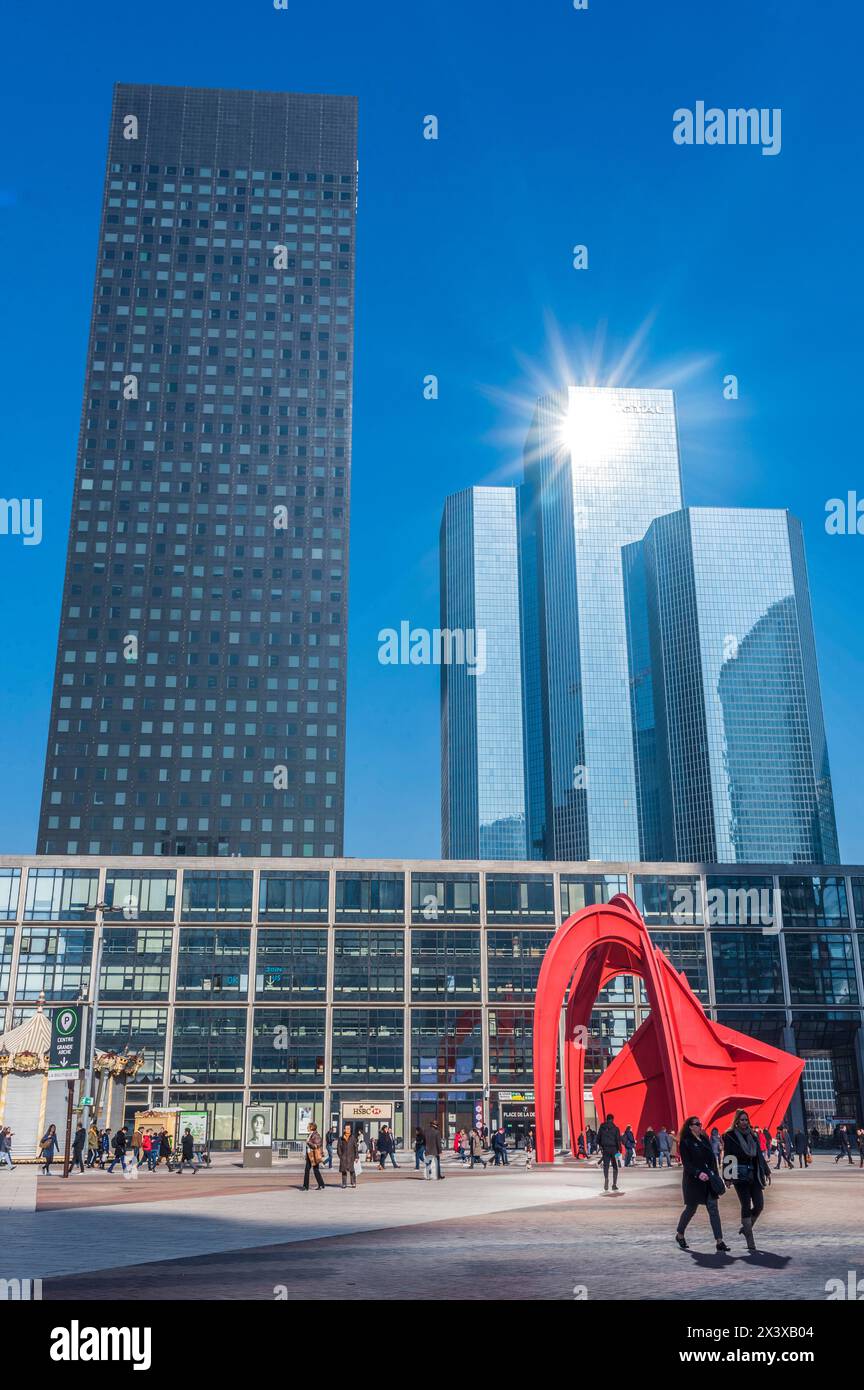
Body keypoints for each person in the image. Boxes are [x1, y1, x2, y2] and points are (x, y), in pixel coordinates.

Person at [675, 1115, 729, 1252]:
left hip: (709, 1180)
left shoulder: (705, 1139)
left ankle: (719, 1241)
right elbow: (687, 1164)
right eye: (697, 1124)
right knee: (691, 1209)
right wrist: (698, 1173)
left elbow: (712, 1159)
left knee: (713, 1209)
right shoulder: (686, 1142)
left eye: (700, 1123)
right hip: (693, 1182)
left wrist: (716, 1176)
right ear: (690, 1126)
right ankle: (680, 1234)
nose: (700, 1126)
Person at [723, 1109, 770, 1253]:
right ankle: (750, 1240)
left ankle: (746, 1228)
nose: (744, 1122)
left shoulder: (753, 1135)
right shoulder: (730, 1136)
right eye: (742, 1120)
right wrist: (727, 1176)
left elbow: (759, 1156)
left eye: (746, 1120)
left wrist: (766, 1170)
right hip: (739, 1174)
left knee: (759, 1205)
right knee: (745, 1204)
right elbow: (727, 1155)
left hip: (754, 1173)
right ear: (737, 1121)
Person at [596, 1113, 622, 1192]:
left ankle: (606, 1178)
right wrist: (619, 1149)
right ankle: (614, 1185)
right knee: (615, 1167)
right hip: (614, 1149)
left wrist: (601, 1145)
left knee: (606, 1166)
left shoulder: (602, 1127)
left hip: (605, 1149)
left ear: (607, 1119)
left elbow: (598, 1138)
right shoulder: (616, 1128)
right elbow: (618, 1140)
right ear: (612, 1119)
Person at [302, 1121, 326, 1191]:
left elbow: (317, 1145)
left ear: (312, 1127)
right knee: (307, 1170)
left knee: (316, 1170)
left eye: (308, 1126)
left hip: (314, 1155)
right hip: (309, 1154)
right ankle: (305, 1186)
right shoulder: (310, 1134)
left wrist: (308, 1142)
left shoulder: (316, 1135)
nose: (307, 1128)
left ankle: (321, 1184)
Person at [337, 1124, 358, 1189]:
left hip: (351, 1156)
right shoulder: (341, 1138)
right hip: (343, 1157)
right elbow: (339, 1148)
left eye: (349, 1128)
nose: (348, 1130)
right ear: (344, 1130)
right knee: (344, 1171)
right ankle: (344, 1184)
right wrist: (340, 1155)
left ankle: (353, 1183)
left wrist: (356, 1156)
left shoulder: (353, 1137)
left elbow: (356, 1148)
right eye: (346, 1128)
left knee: (352, 1170)